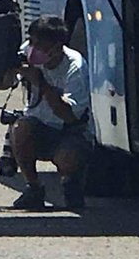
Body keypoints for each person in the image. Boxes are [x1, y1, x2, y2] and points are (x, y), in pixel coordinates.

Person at [10, 16, 92, 212]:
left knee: (67, 158)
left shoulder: (74, 67)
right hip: (39, 125)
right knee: (20, 128)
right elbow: (6, 80)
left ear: (57, 47)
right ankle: (34, 188)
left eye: (39, 44)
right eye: (31, 41)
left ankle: (71, 183)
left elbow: (70, 116)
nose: (33, 48)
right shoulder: (27, 53)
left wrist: (42, 84)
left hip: (69, 131)